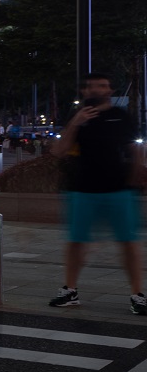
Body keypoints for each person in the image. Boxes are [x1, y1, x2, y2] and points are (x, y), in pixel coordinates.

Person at [48, 73, 147, 314]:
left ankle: (137, 294)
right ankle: (70, 290)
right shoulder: (76, 116)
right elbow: (58, 151)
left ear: (110, 90)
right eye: (91, 86)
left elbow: (135, 149)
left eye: (102, 85)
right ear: (83, 92)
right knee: (76, 242)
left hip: (119, 189)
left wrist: (136, 178)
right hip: (82, 189)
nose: (96, 90)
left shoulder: (121, 116)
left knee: (127, 242)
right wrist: (76, 123)